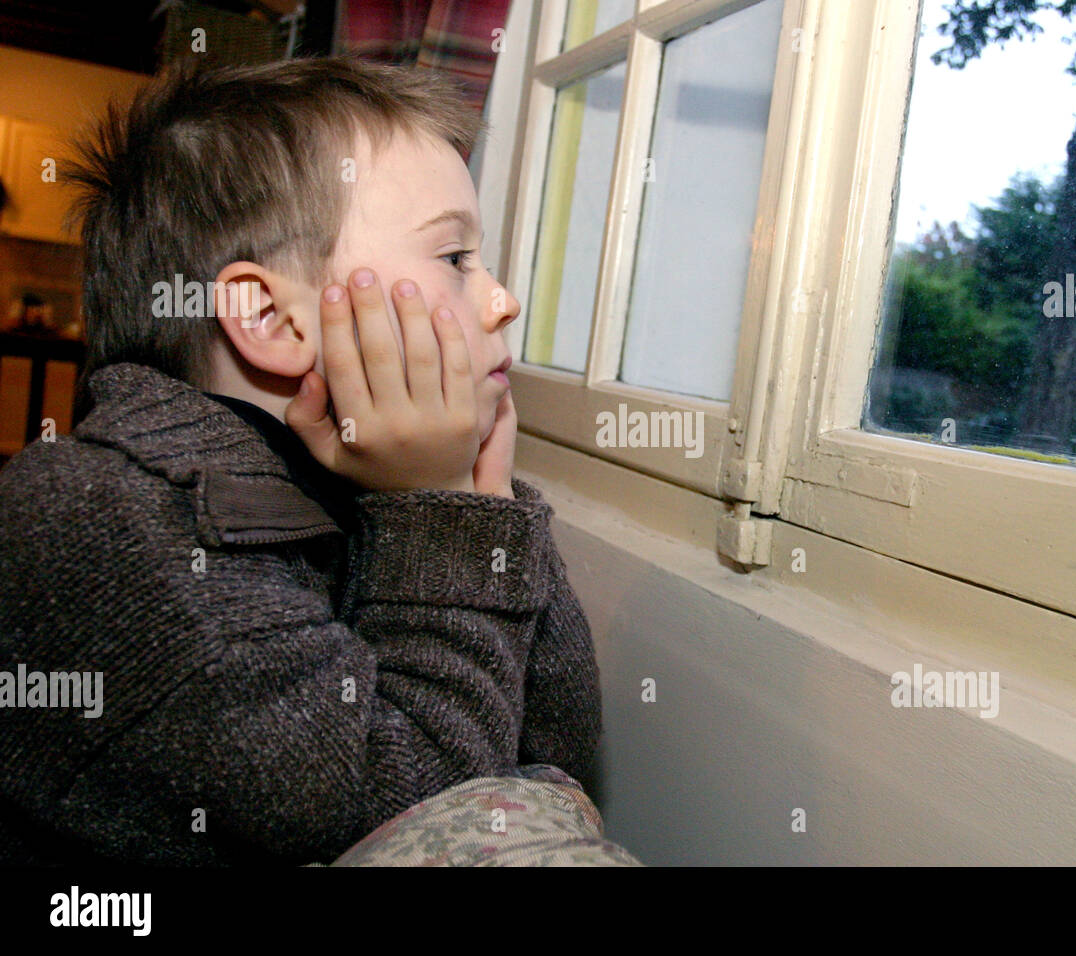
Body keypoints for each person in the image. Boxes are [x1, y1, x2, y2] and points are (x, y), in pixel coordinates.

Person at [0, 55, 619, 865]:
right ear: (272, 319)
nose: (502, 299)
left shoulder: (361, 482)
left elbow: (551, 759)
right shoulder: (96, 516)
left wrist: (484, 504)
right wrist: (444, 510)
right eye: (455, 258)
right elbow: (419, 822)